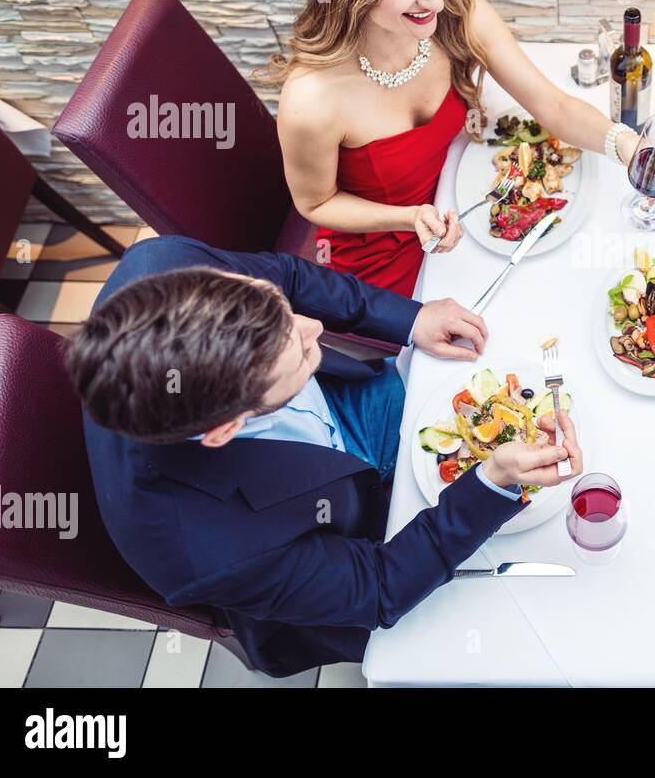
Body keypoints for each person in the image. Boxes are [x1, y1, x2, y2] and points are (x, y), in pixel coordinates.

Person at [65, 234, 583, 678]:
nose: (313, 328)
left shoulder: (162, 267)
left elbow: (289, 275)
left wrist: (410, 318)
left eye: (280, 312)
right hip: (322, 541)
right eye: (298, 354)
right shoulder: (211, 551)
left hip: (344, 409)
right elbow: (382, 586)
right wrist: (490, 484)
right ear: (225, 429)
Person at [267, 0, 642, 299]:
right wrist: (408, 217)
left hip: (467, 211)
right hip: (384, 259)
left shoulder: (456, 9)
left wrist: (628, 145)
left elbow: (552, 105)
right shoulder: (310, 100)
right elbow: (316, 204)